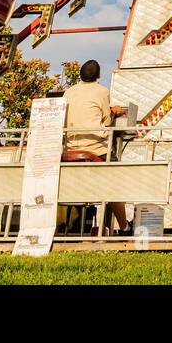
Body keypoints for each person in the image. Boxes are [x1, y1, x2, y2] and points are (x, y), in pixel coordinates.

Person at [61, 60, 129, 233]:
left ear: (80, 75)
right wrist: (114, 112)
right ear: (99, 76)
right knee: (115, 185)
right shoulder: (102, 91)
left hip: (69, 150)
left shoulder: (68, 92)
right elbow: (106, 121)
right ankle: (124, 226)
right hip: (95, 148)